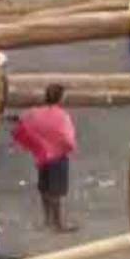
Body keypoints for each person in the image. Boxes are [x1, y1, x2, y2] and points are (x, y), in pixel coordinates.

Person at [12, 84, 79, 233]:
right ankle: (59, 223)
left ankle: (47, 219)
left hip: (42, 156)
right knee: (57, 192)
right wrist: (69, 148)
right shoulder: (62, 116)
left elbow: (22, 122)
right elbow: (68, 139)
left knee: (44, 189)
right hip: (58, 157)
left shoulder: (36, 113)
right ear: (61, 98)